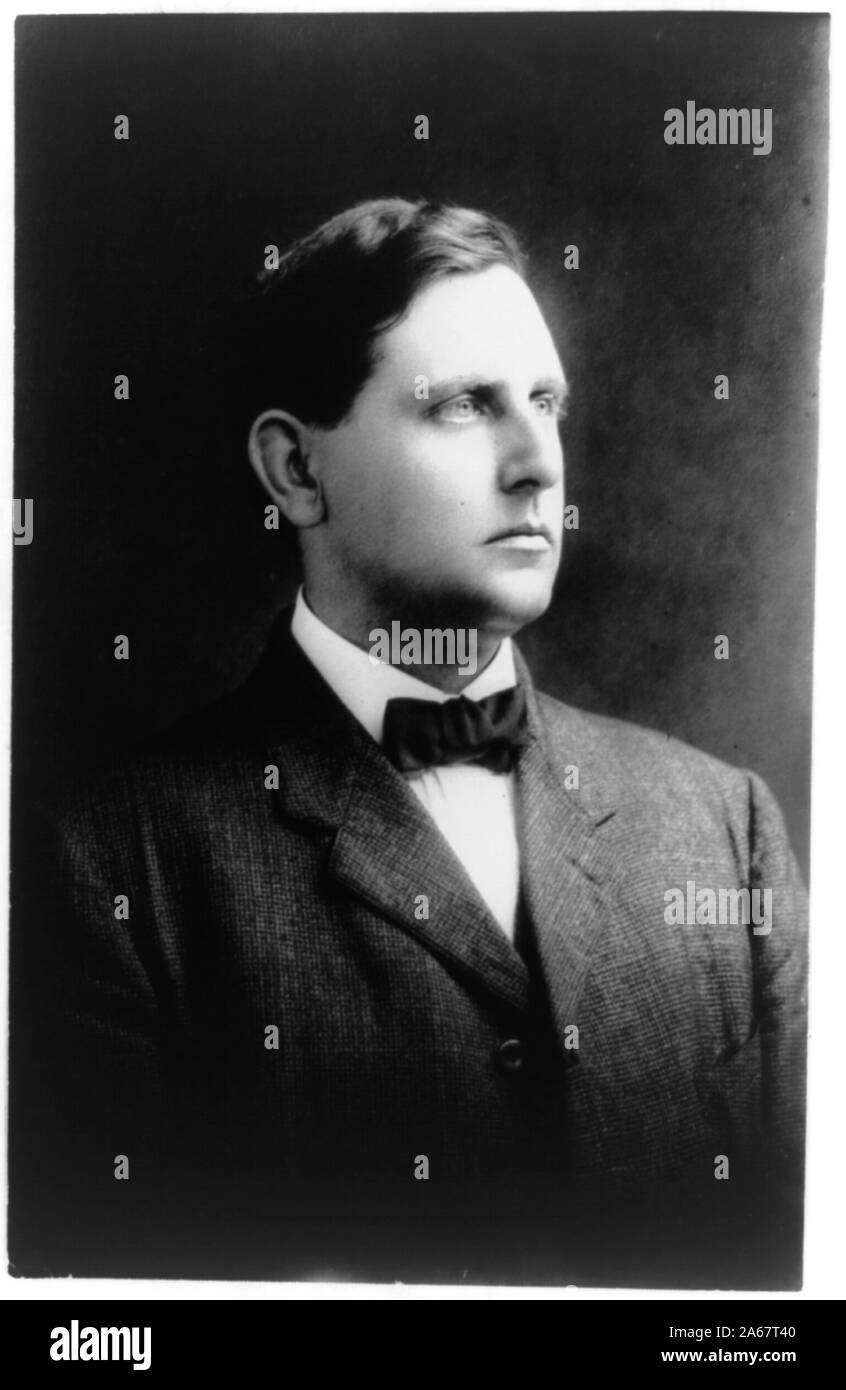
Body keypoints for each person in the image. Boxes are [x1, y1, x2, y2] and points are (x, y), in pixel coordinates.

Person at [10, 199, 807, 1287]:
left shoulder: (726, 827)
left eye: (546, 402)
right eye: (465, 406)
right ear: (296, 470)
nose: (538, 463)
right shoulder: (108, 866)